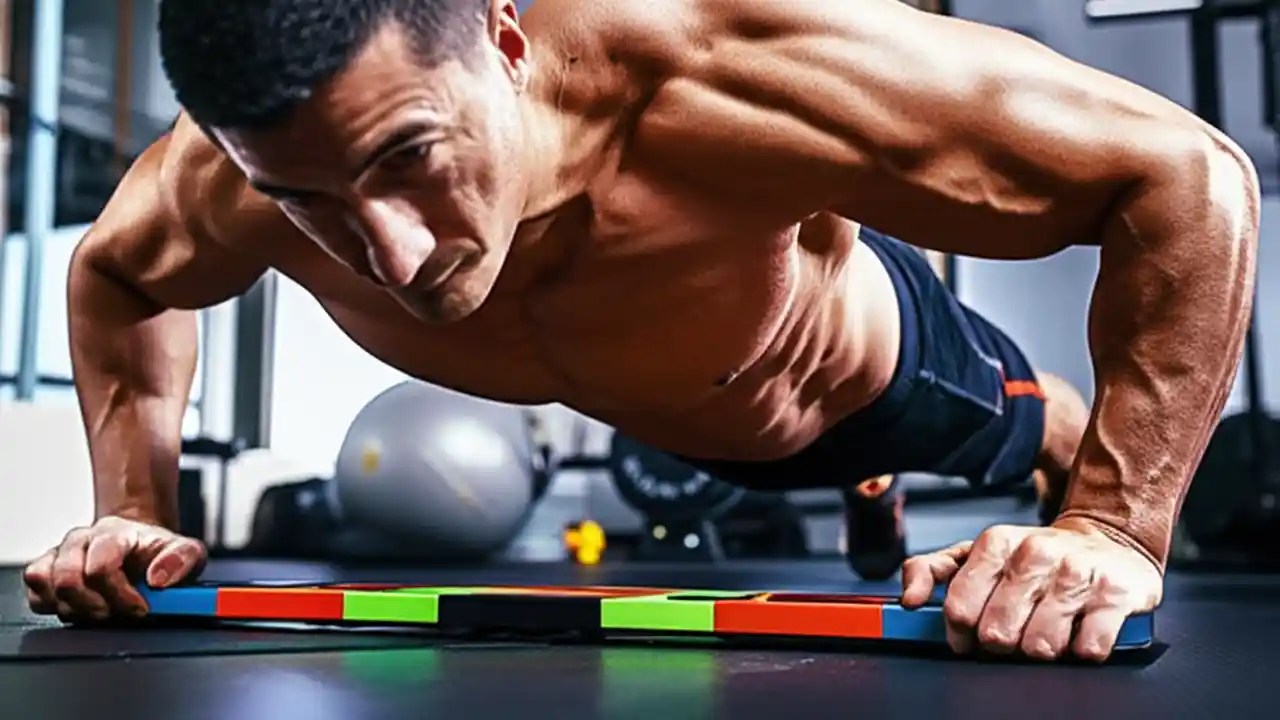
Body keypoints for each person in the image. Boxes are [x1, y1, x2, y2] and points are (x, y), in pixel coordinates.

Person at [22, 0, 1258, 663]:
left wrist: (1105, 527)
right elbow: (114, 278)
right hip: (669, 409)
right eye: (307, 203)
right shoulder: (224, 177)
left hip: (850, 379)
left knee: (1031, 432)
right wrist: (138, 506)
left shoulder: (720, 68)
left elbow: (1182, 177)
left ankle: (977, 454)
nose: (389, 259)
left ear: (505, 45)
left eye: (410, 157)